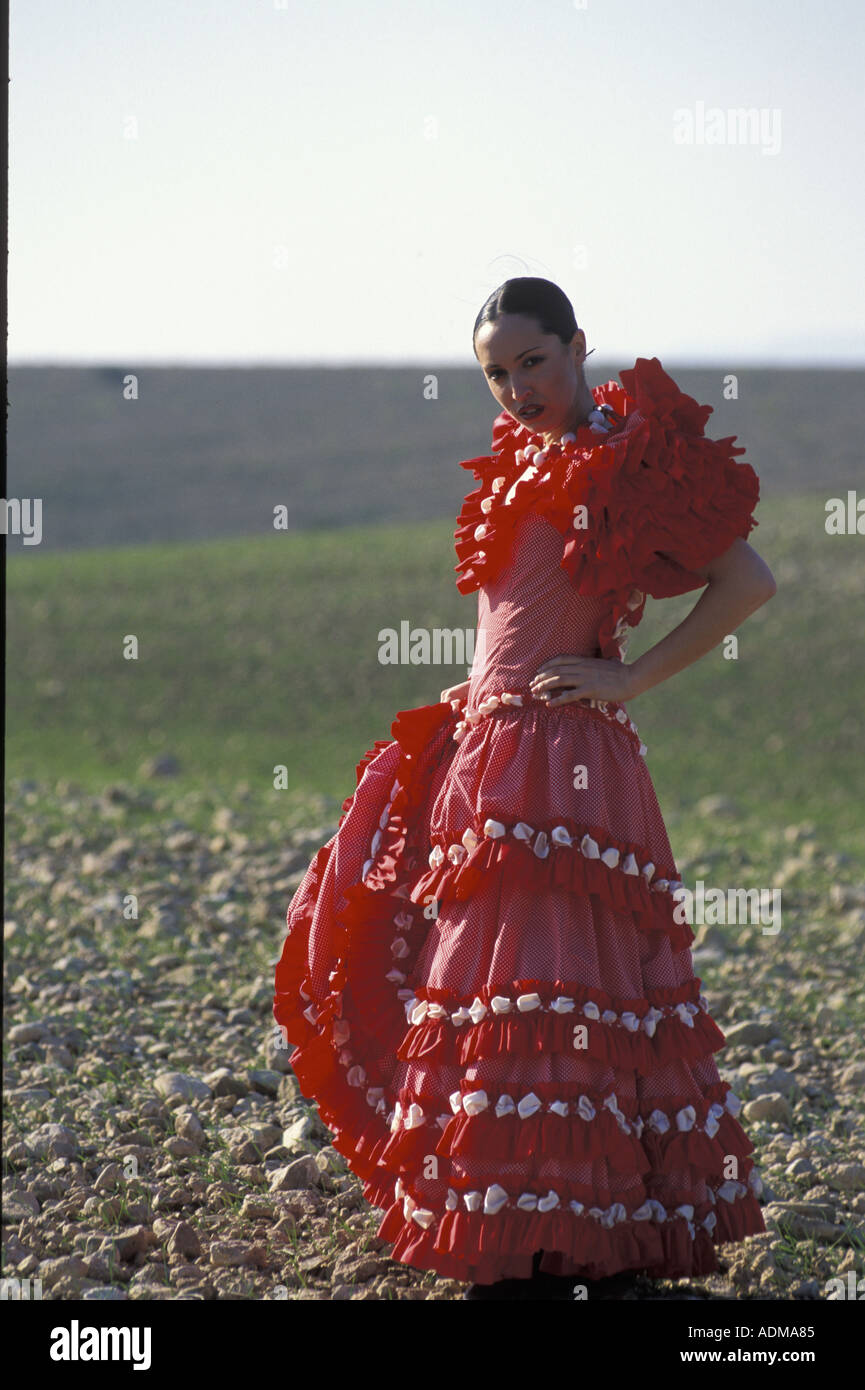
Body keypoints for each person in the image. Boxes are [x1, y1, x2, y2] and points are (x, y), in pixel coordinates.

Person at [272, 276, 776, 1300]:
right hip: (491, 747)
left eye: (532, 362)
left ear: (578, 346)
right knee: (474, 978)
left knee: (546, 986)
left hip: (565, 761)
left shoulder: (627, 458)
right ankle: (519, 1225)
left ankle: (565, 1240)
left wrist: (628, 677)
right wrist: (474, 699)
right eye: (495, 373)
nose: (515, 388)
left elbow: (748, 580)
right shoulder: (523, 455)